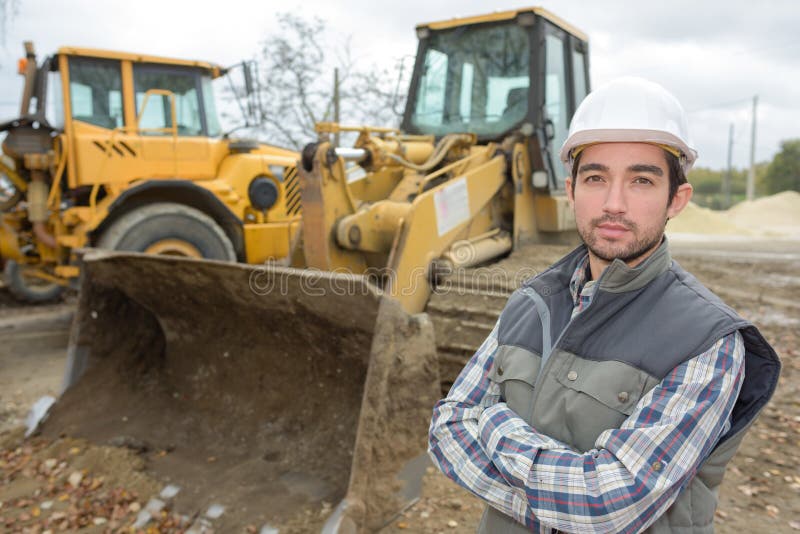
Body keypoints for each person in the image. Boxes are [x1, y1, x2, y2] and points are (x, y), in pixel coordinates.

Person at [428, 77, 781, 533]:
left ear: (677, 199)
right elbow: (447, 429)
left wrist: (494, 425)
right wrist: (558, 487)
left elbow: (608, 505)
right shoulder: (530, 303)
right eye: (596, 178)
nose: (614, 203)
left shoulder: (707, 340)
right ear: (571, 190)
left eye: (641, 180)